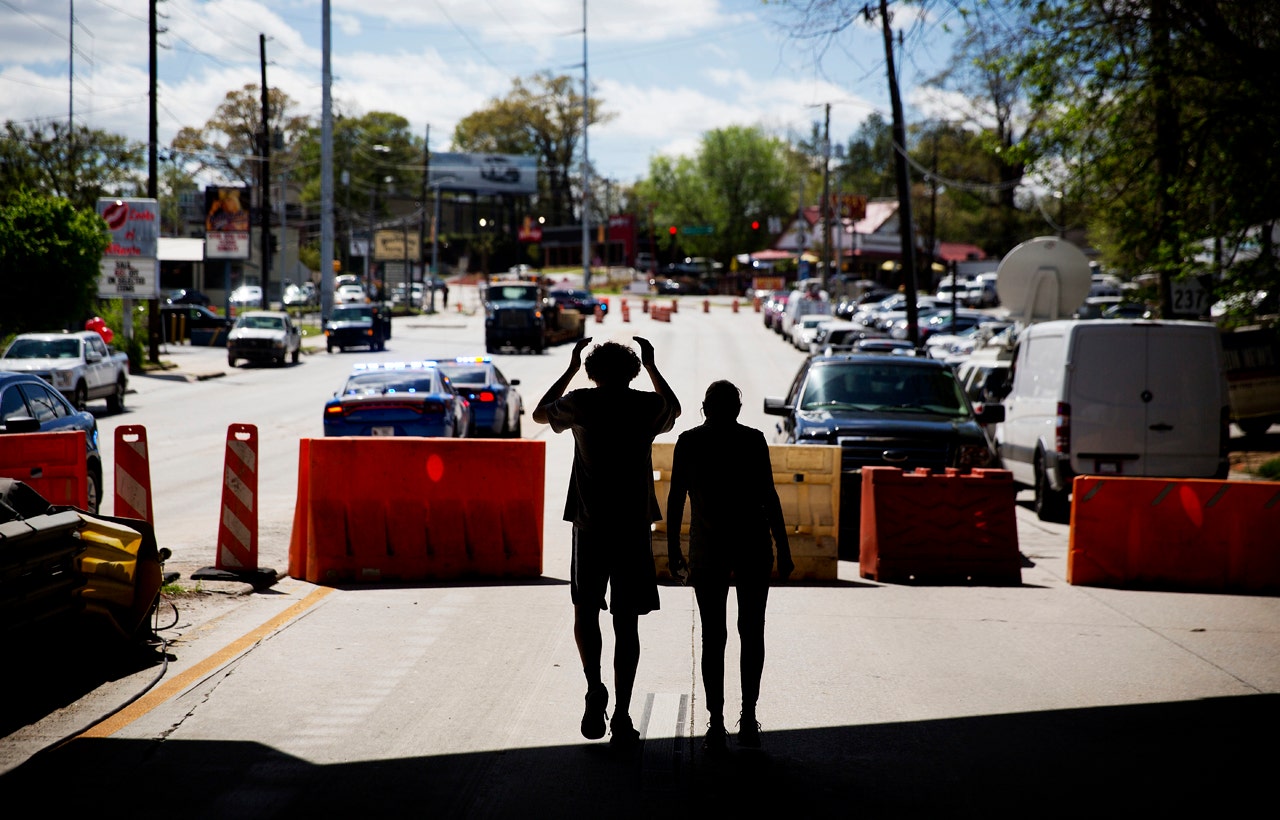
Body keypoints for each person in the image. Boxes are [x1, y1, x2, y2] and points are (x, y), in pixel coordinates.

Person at [533, 336, 681, 749]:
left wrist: (568, 369)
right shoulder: (645, 406)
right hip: (632, 524)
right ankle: (621, 714)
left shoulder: (580, 401)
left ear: (591, 373)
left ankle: (594, 686)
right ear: (633, 372)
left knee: (585, 610)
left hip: (589, 522)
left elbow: (539, 414)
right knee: (626, 621)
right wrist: (653, 366)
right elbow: (675, 408)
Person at [666, 380, 794, 752]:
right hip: (753, 545)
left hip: (707, 548)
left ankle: (716, 722)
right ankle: (748, 716)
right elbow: (769, 498)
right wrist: (783, 549)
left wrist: (674, 549)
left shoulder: (689, 442)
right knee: (752, 631)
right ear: (737, 409)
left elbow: (676, 498)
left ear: (704, 408)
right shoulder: (753, 441)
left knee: (713, 636)